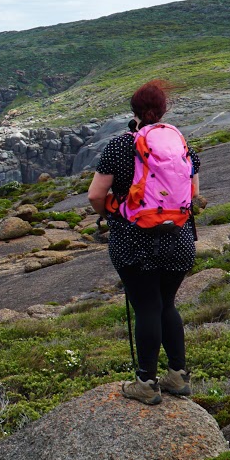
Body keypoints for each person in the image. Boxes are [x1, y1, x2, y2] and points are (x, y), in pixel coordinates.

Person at [86, 80, 200, 405]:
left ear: (134, 111)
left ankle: (146, 383)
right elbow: (192, 193)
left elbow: (95, 194)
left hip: (134, 241)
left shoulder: (121, 146)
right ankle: (178, 375)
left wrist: (112, 211)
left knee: (147, 307)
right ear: (164, 110)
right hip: (178, 239)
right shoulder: (180, 144)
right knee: (167, 305)